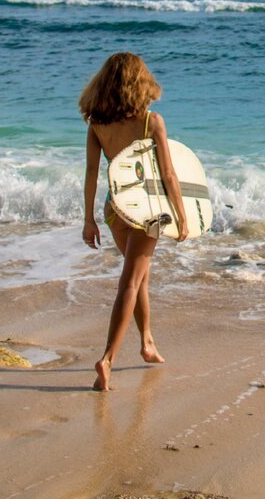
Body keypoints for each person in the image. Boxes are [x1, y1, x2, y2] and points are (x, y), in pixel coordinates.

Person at [79, 52, 188, 391]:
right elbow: (168, 174)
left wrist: (89, 219)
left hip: (116, 210)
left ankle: (147, 343)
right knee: (130, 282)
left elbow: (92, 174)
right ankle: (107, 358)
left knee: (138, 278)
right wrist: (182, 216)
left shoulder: (97, 123)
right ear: (139, 83)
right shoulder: (151, 121)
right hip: (147, 211)